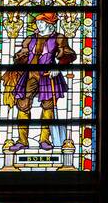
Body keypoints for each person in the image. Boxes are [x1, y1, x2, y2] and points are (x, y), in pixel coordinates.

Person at [6, 11, 76, 152]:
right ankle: (22, 141)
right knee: (23, 104)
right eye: (38, 22)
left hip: (47, 75)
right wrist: (19, 61)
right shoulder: (30, 39)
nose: (39, 24)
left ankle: (44, 140)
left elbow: (68, 55)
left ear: (50, 24)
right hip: (30, 74)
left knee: (48, 106)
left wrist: (58, 67)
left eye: (42, 22)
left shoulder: (59, 38)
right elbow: (22, 56)